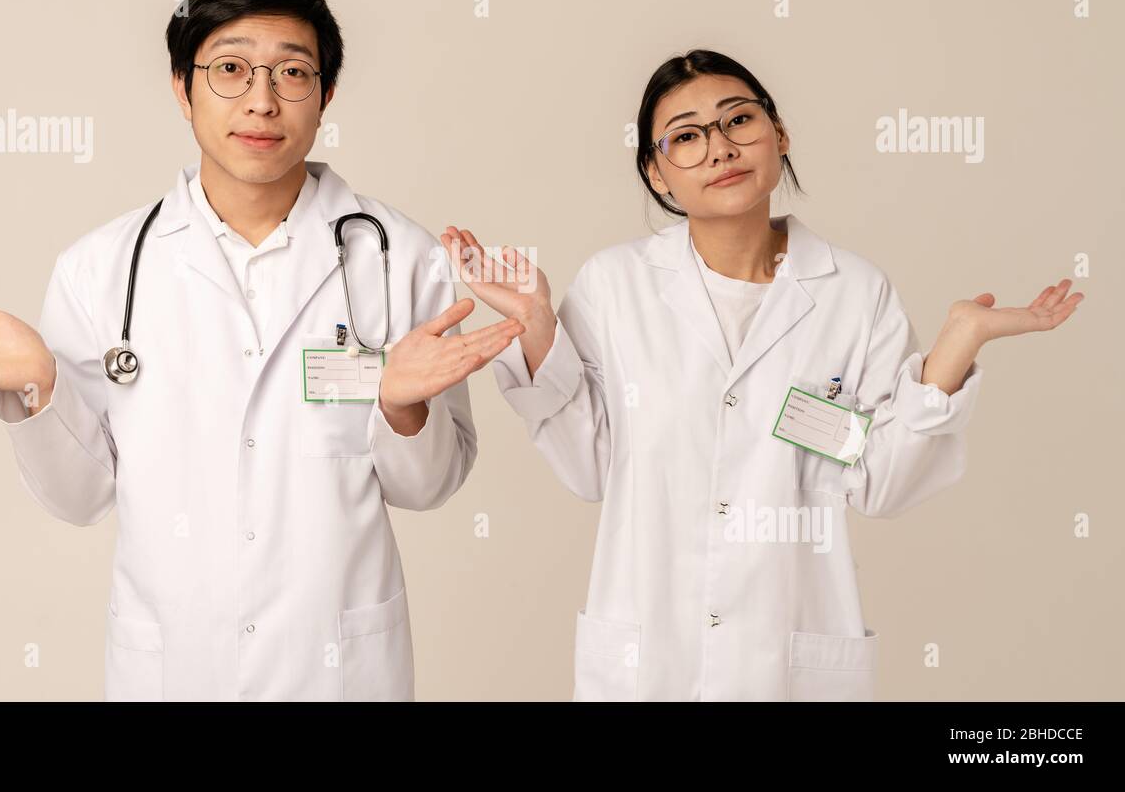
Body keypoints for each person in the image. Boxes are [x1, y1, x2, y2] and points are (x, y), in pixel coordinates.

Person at [0, 0, 523, 701]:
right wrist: (39, 385)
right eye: (231, 69)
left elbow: (431, 484)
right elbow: (80, 497)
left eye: (292, 72)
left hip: (338, 670)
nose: (262, 99)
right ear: (183, 88)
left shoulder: (398, 257)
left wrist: (400, 407)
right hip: (171, 669)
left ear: (327, 96)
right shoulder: (103, 267)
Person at [439, 49, 1082, 701]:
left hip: (789, 657)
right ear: (657, 173)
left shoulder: (854, 293)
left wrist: (958, 341)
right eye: (686, 136)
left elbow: (882, 482)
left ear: (779, 136)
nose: (719, 148)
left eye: (738, 120)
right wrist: (537, 324)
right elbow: (588, 468)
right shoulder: (615, 286)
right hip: (649, 662)